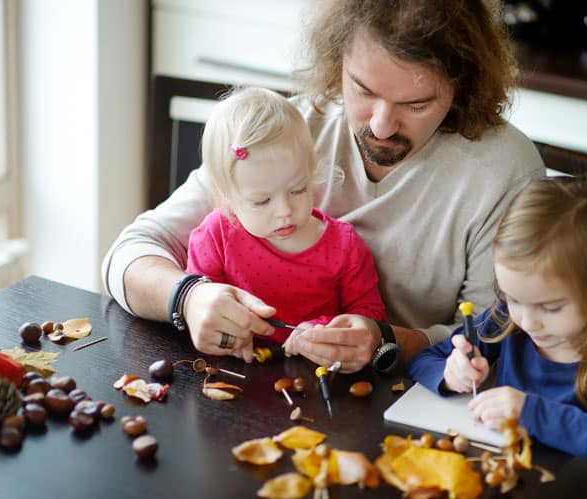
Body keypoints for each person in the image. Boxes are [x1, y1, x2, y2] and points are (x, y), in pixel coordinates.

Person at [101, 0, 545, 371]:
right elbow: (128, 254)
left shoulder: (500, 170)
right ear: (338, 63)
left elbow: (499, 337)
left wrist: (388, 341)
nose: (381, 125)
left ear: (462, 85)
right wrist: (188, 297)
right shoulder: (294, 129)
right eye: (363, 90)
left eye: (416, 103)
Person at [407, 173, 587, 498]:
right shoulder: (507, 320)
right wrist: (451, 373)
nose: (528, 322)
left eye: (550, 307)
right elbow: (423, 359)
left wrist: (531, 413)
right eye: (514, 298)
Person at [184, 86, 385, 350]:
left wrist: (326, 330)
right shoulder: (215, 236)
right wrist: (224, 334)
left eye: (297, 190)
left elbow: (370, 317)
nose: (284, 211)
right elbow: (199, 306)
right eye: (261, 201)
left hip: (316, 377)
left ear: (311, 173)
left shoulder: (344, 246)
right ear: (227, 198)